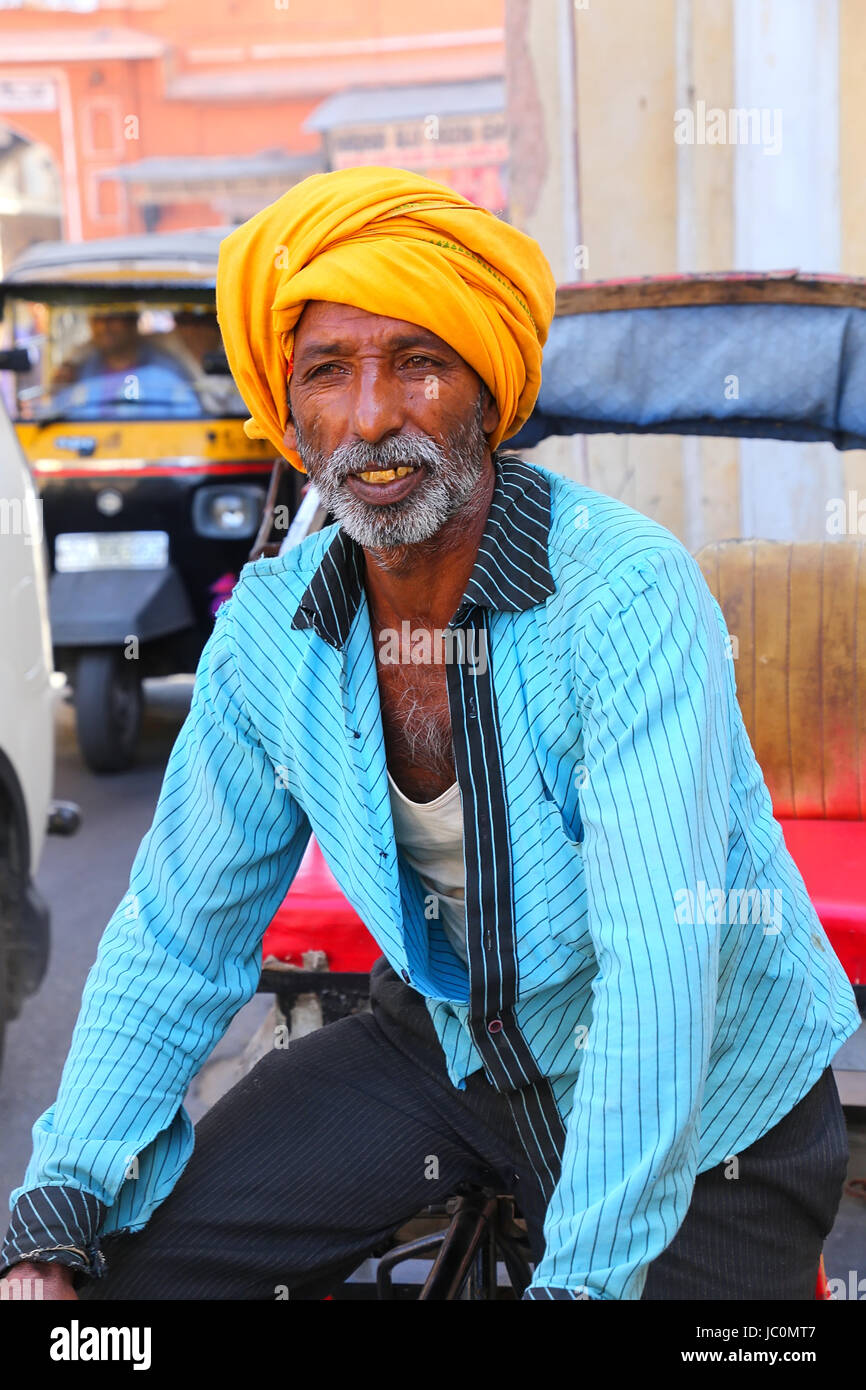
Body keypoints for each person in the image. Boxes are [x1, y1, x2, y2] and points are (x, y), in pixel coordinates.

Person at [1, 167, 859, 1302]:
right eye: (327, 371)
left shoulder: (624, 597)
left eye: (416, 361)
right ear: (288, 407)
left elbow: (659, 963)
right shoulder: (270, 631)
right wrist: (57, 1211)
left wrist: (583, 1282)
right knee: (116, 1291)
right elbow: (177, 931)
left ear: (484, 394)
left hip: (702, 1093)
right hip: (448, 1045)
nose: (369, 417)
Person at [49, 309, 200, 419]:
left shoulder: (166, 373)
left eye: (112, 318)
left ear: (133, 322)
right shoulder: (79, 373)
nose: (104, 327)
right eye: (97, 319)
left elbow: (191, 426)